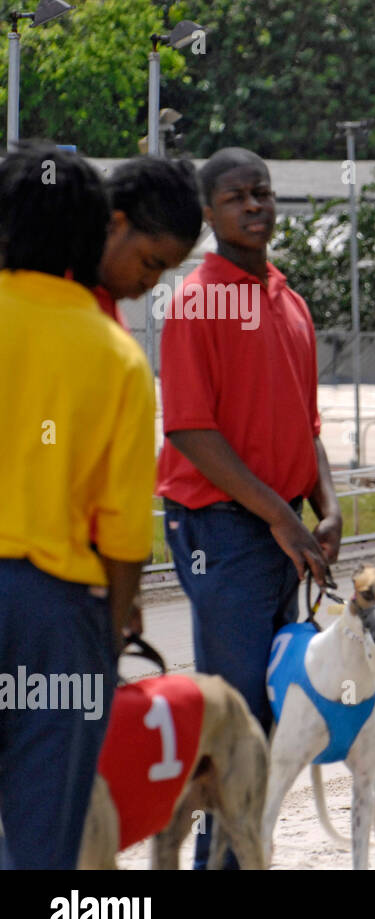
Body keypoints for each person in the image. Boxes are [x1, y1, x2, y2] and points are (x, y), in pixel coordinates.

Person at [156, 147, 340, 868]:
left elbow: (308, 425)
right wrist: (279, 516)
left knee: (269, 716)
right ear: (208, 213)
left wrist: (323, 507)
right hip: (221, 528)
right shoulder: (195, 302)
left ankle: (239, 858)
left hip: (278, 529)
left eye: (263, 193)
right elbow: (191, 432)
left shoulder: (291, 301)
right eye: (237, 197)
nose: (255, 205)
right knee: (236, 720)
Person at [0, 145, 155, 868]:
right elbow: (126, 537)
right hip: (56, 614)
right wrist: (114, 626)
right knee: (44, 838)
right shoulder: (116, 356)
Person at [95, 156, 204, 325]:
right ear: (116, 224)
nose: (152, 283)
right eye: (150, 264)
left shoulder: (106, 313)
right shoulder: (53, 295)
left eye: (164, 271)